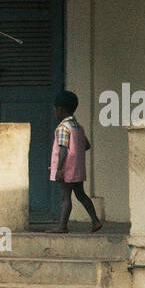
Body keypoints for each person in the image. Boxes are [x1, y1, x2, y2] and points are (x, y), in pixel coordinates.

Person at [48, 89, 102, 233]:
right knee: (81, 194)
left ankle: (62, 226)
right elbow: (86, 145)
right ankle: (95, 220)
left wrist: (59, 169)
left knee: (66, 197)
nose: (54, 112)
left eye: (55, 109)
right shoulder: (78, 127)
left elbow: (63, 150)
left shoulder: (63, 128)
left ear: (60, 109)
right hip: (77, 168)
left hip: (66, 169)